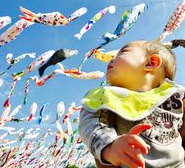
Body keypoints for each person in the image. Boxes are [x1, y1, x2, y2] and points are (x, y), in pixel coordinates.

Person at [78, 40, 185, 168]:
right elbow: (89, 124)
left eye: (123, 52)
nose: (111, 59)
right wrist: (109, 147)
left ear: (151, 63)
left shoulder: (173, 94)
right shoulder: (105, 97)